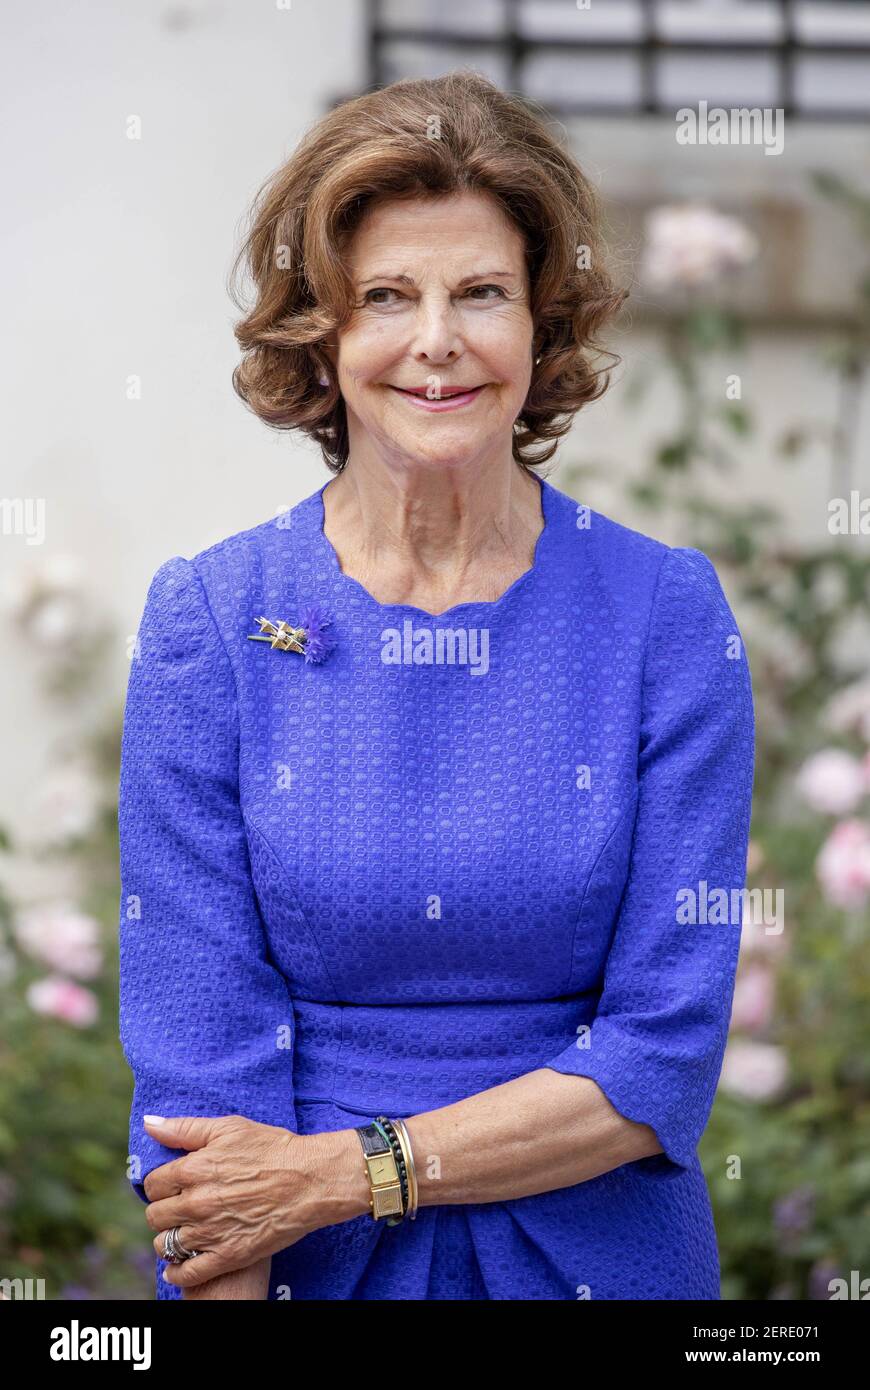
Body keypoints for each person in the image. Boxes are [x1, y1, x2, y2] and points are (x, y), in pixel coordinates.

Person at [118, 71, 755, 1301]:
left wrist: (358, 1171)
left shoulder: (666, 618)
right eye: (387, 299)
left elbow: (660, 1057)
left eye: (482, 294)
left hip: (597, 1257)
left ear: (541, 324)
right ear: (323, 333)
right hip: (297, 1266)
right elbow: (202, 1085)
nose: (437, 342)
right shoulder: (210, 619)